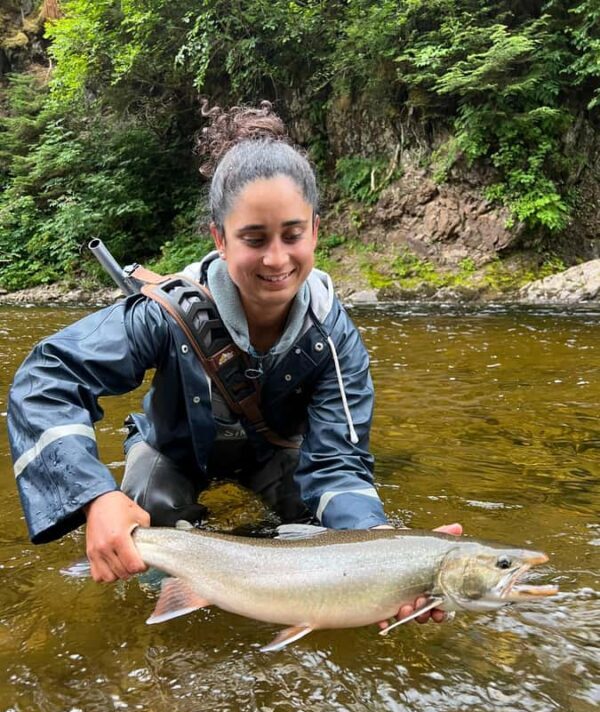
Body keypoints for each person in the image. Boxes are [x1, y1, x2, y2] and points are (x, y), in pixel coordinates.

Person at [8, 101, 460, 628]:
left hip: (275, 458)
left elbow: (338, 464)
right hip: (175, 453)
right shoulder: (165, 315)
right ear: (219, 238)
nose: (276, 258)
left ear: (316, 230)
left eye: (292, 234)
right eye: (253, 239)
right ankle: (181, 592)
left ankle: (263, 584)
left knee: (331, 536)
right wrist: (94, 497)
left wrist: (384, 551)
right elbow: (47, 377)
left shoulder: (334, 339)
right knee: (143, 524)